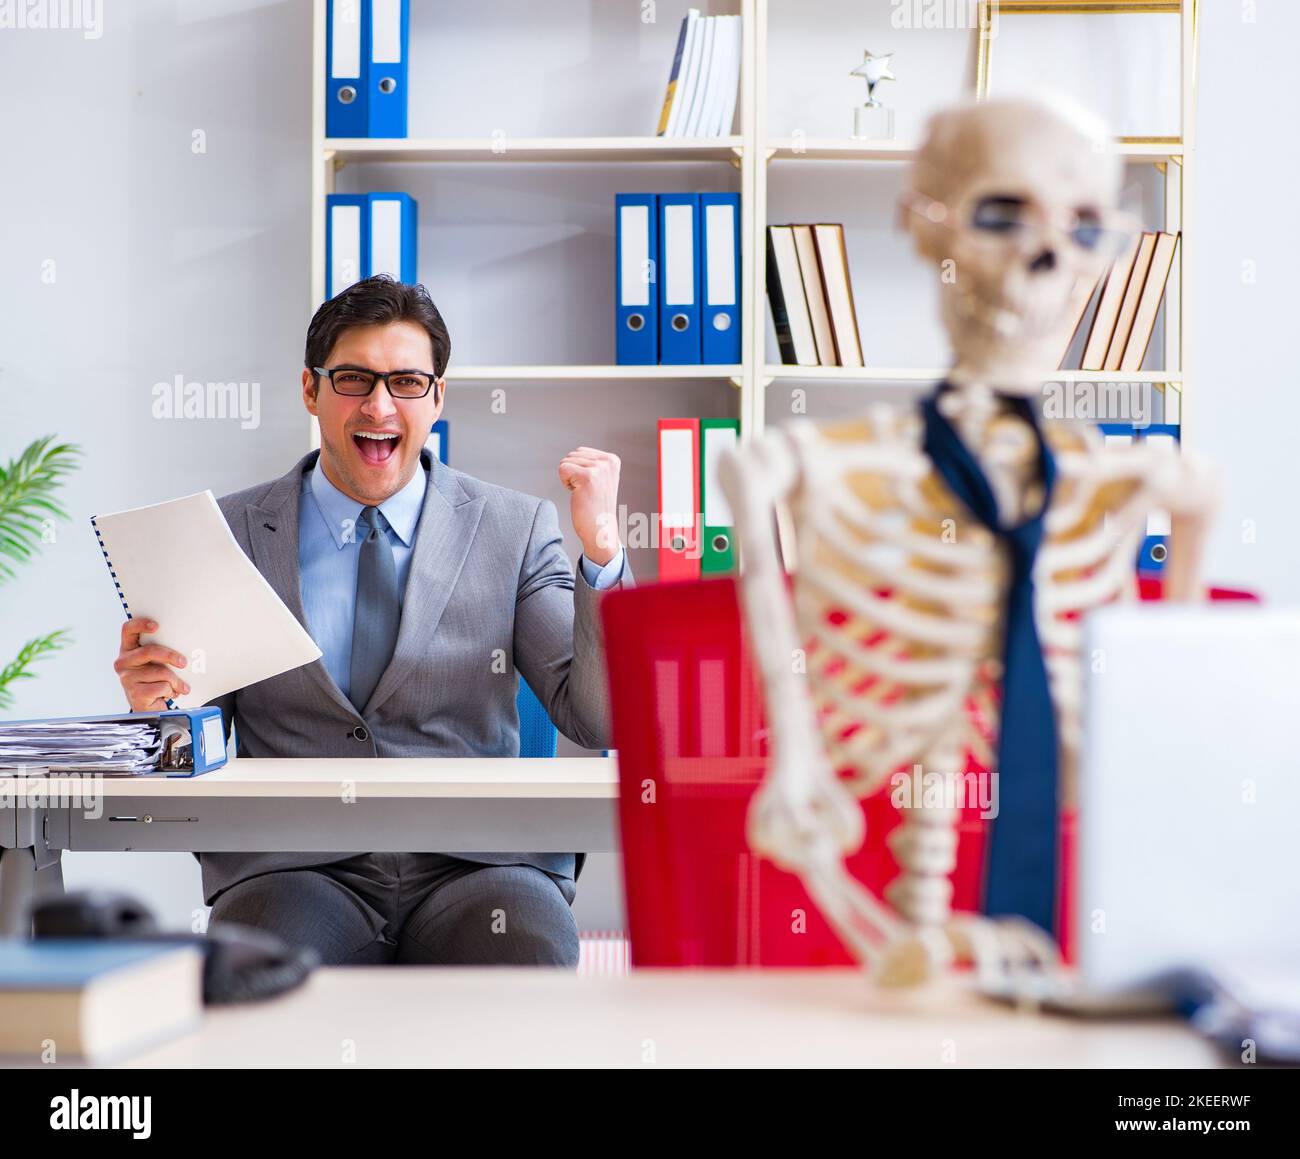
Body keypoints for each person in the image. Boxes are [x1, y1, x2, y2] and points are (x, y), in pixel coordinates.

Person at [112, 275, 631, 967]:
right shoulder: (228, 532)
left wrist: (602, 551)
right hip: (296, 867)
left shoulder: (514, 527)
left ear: (438, 396)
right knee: (256, 985)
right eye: (354, 378)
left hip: (478, 865)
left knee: (528, 961)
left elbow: (599, 719)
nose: (380, 404)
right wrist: (159, 709)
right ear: (311, 390)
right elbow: (191, 738)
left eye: (408, 381)